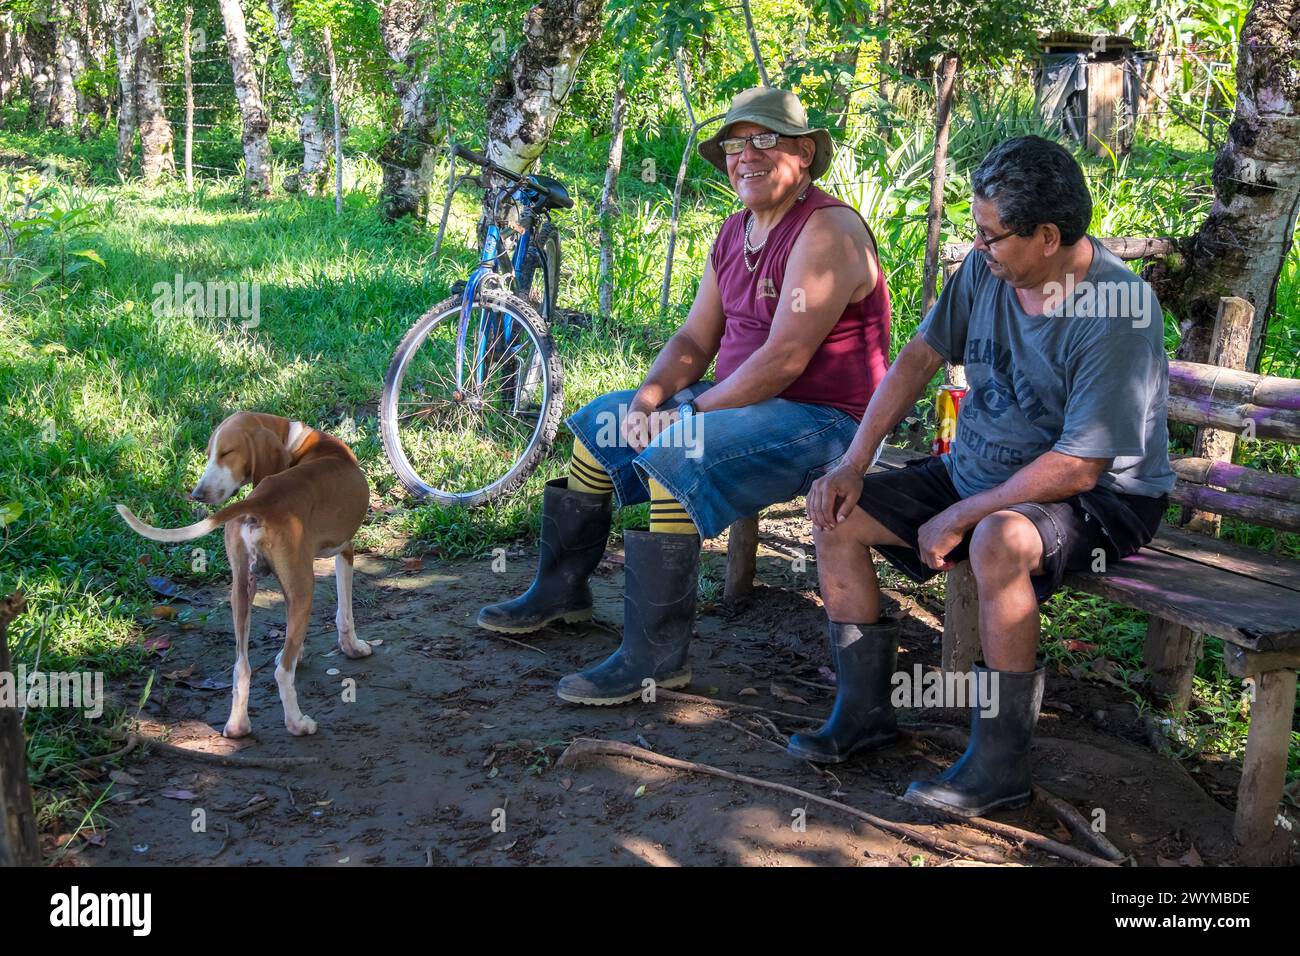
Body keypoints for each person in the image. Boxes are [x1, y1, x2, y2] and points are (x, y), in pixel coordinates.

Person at [795, 135, 1174, 816]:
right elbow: (917, 358)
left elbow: (1081, 464)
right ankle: (864, 713)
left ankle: (998, 764)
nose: (980, 246)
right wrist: (852, 461)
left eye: (993, 236)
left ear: (1049, 236)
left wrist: (963, 515)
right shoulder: (984, 271)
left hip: (1104, 494)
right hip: (982, 469)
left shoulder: (1117, 311)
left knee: (998, 539)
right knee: (837, 514)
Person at [477, 86, 892, 706]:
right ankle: (562, 592)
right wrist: (648, 401)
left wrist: (689, 413)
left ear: (805, 153)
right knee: (601, 424)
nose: (745, 155)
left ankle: (655, 659)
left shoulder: (827, 229)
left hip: (828, 421)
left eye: (765, 140)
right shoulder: (735, 232)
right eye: (734, 144)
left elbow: (784, 361)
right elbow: (697, 339)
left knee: (679, 450)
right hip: (743, 402)